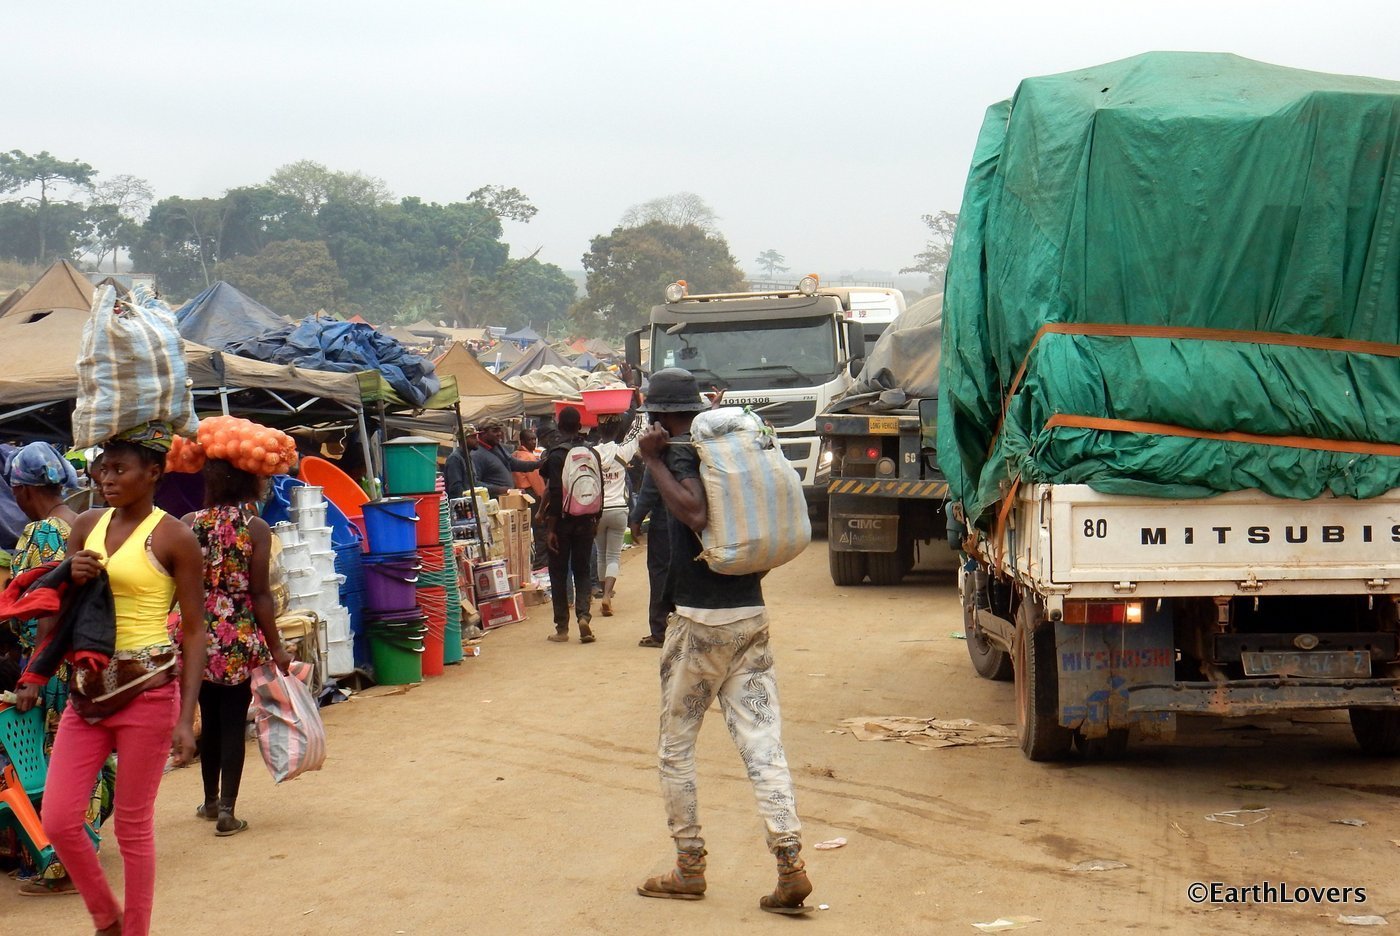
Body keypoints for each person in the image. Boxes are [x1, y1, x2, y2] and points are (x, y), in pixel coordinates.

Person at [634, 368, 813, 914]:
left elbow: (693, 512)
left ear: (658, 416)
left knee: (676, 749)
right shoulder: (729, 451)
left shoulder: (682, 457)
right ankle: (791, 866)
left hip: (700, 627)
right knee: (764, 746)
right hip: (749, 620)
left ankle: (690, 868)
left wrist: (653, 460)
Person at [27, 426, 208, 936]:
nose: (107, 478)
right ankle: (107, 917)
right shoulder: (84, 525)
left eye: (119, 469)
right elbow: (59, 607)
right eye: (102, 468)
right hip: (86, 692)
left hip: (148, 691)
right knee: (59, 821)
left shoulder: (174, 537)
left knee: (133, 828)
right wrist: (70, 573)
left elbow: (195, 631)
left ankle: (135, 931)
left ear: (154, 473)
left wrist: (186, 718)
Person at [2, 442, 115, 896]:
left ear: (25, 491)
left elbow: (46, 608)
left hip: (56, 667)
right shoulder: (86, 524)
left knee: (56, 766)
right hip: (90, 660)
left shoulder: (39, 533)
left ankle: (62, 866)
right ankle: (81, 850)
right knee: (92, 761)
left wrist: (34, 675)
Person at [179, 457, 293, 837]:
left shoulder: (188, 524)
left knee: (208, 719)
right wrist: (276, 648)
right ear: (249, 484)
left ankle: (210, 801)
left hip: (197, 631)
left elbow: (173, 585)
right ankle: (228, 809)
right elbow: (260, 594)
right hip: (238, 635)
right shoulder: (256, 528)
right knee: (232, 722)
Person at [539, 406, 596, 644]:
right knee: (583, 571)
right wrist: (595, 520)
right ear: (579, 424)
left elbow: (553, 490)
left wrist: (550, 528)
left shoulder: (556, 454)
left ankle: (562, 628)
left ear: (559, 425)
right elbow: (597, 488)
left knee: (559, 573)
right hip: (587, 520)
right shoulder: (592, 452)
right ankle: (584, 616)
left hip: (562, 522)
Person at [592, 416, 640, 617]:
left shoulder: (591, 453)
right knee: (613, 555)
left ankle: (604, 591)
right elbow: (636, 433)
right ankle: (607, 597)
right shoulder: (623, 451)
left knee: (601, 554)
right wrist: (639, 408)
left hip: (597, 511)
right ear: (617, 429)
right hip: (619, 509)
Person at [628, 465, 672, 648]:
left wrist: (636, 519)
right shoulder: (696, 446)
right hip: (694, 523)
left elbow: (649, 491)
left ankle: (659, 631)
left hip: (664, 523)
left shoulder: (659, 455)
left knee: (659, 574)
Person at [470, 417, 541, 498]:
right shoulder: (476, 455)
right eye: (495, 431)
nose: (499, 434)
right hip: (494, 502)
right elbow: (475, 484)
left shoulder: (496, 446)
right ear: (482, 433)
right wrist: (502, 490)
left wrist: (538, 464)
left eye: (500, 430)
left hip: (508, 498)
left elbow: (513, 464)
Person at [444, 424, 478, 499]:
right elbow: (455, 489)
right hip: (461, 506)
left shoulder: (468, 457)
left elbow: (475, 483)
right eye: (473, 437)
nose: (477, 440)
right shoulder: (455, 459)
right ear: (463, 439)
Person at [512, 428, 546, 501]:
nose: (533, 442)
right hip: (530, 493)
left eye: (534, 439)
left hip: (517, 492)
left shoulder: (515, 454)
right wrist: (543, 496)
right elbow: (536, 481)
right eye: (530, 440)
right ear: (522, 442)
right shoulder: (529, 457)